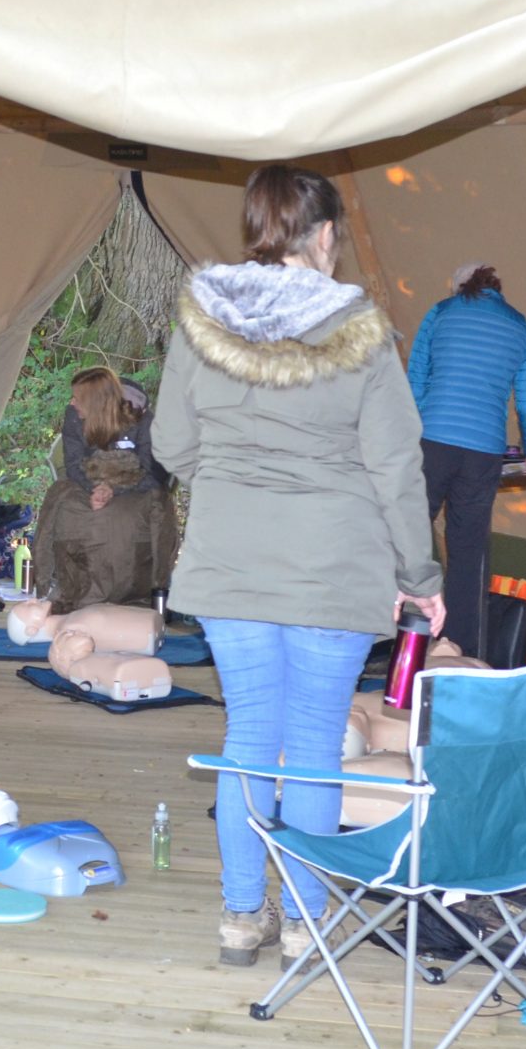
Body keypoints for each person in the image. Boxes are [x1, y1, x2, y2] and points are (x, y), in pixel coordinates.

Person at [152, 165, 446, 969]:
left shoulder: (200, 322)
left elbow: (170, 445)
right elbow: (395, 464)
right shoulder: (363, 330)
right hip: (333, 565)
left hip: (230, 561)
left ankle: (240, 917)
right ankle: (307, 921)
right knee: (314, 744)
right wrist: (421, 577)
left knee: (249, 735)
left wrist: (236, 474)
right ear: (322, 236)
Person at [404, 262, 526, 653]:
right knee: (469, 552)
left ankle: (392, 640)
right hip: (484, 450)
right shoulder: (519, 325)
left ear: (459, 288)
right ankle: (458, 650)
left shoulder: (442, 312)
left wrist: (406, 433)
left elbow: (416, 378)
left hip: (431, 440)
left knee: (407, 536)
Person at [35, 366, 178, 612]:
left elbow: (156, 472)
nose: (72, 403)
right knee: (68, 507)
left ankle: (135, 591)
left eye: (77, 399)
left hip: (137, 484)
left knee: (116, 519)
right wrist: (96, 487)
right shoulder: (73, 416)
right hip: (91, 480)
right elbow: (72, 464)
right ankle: (67, 588)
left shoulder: (142, 419)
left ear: (96, 403)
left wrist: (114, 489)